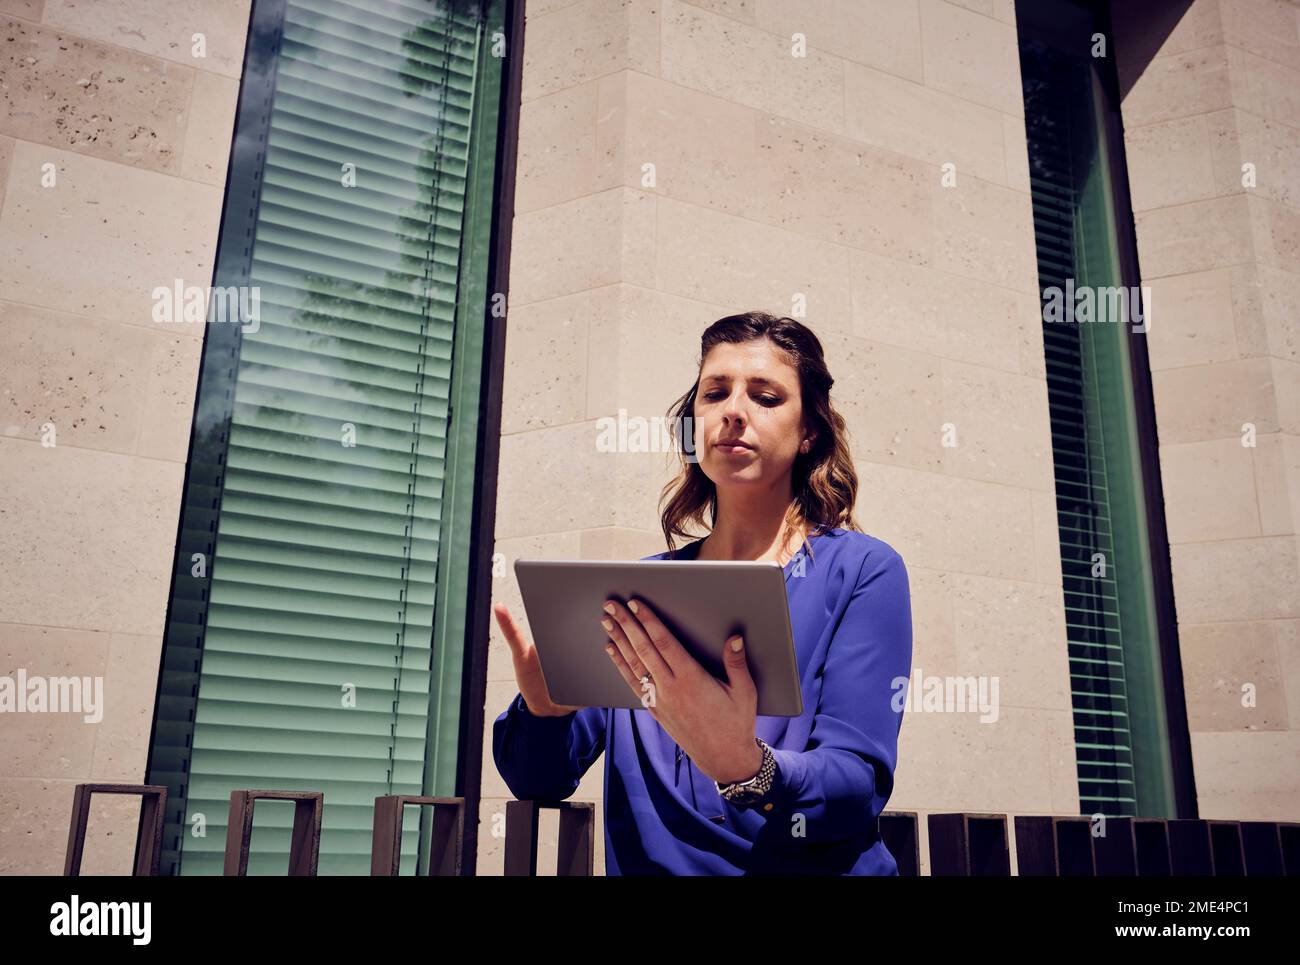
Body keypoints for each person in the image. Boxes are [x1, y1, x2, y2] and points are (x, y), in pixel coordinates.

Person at [492, 310, 913, 875]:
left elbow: (856, 785)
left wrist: (747, 767)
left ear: (809, 430)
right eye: (715, 393)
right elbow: (537, 781)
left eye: (765, 397)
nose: (734, 411)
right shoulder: (637, 594)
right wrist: (544, 711)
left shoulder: (862, 570)